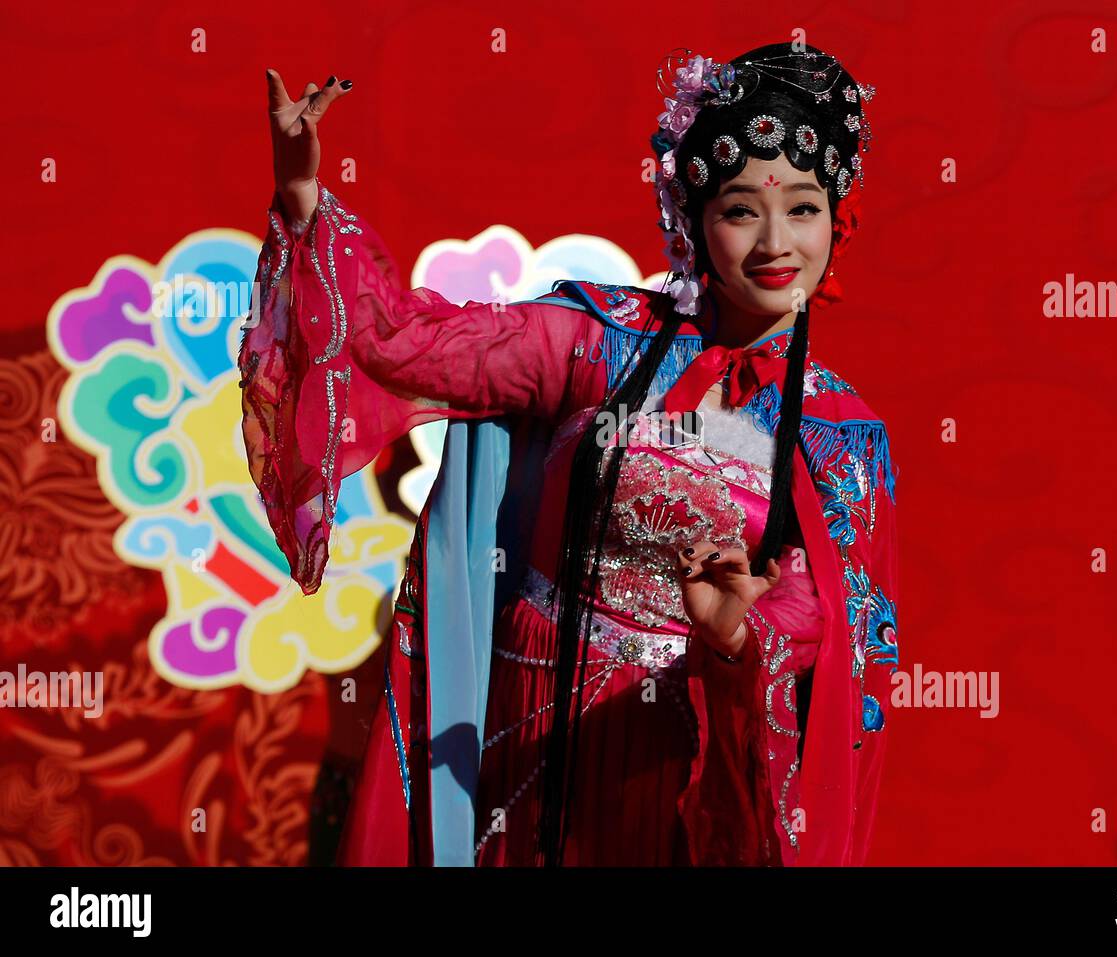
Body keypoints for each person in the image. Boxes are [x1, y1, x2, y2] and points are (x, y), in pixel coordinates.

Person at [239, 42, 899, 867]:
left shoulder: (841, 435)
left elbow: (850, 663)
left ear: (841, 218)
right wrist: (304, 196)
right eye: (740, 209)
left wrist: (743, 636)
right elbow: (401, 341)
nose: (776, 241)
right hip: (528, 720)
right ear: (693, 220)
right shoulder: (597, 339)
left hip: (689, 759)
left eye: (803, 208)